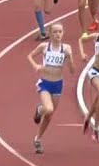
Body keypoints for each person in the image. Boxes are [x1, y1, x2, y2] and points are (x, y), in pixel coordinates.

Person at [27, 22, 76, 154]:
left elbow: (72, 71)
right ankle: (40, 109)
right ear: (50, 33)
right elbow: (30, 56)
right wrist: (36, 65)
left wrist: (70, 58)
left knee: (49, 115)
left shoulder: (66, 49)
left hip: (57, 84)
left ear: (63, 33)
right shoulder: (44, 46)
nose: (58, 34)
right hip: (45, 83)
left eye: (60, 32)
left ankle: (38, 139)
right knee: (49, 109)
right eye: (55, 32)